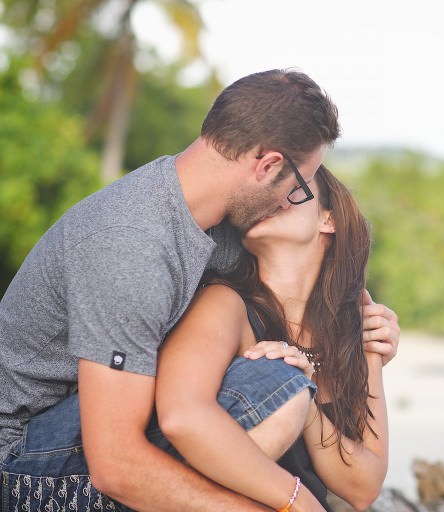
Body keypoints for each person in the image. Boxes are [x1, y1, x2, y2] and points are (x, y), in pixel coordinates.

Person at [0, 69, 349, 511]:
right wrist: (292, 504)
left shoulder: (215, 224)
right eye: (297, 187)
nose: (287, 203)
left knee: (274, 382)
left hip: (91, 428)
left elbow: (297, 274)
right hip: (19, 461)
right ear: (267, 166)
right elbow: (116, 465)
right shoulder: (131, 245)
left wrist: (371, 322)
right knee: (272, 391)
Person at [155, 165, 394, 511]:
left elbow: (364, 487)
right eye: (265, 187)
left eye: (292, 188)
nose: (271, 196)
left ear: (328, 219)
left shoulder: (357, 328)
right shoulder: (224, 304)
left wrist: (307, 405)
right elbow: (179, 423)